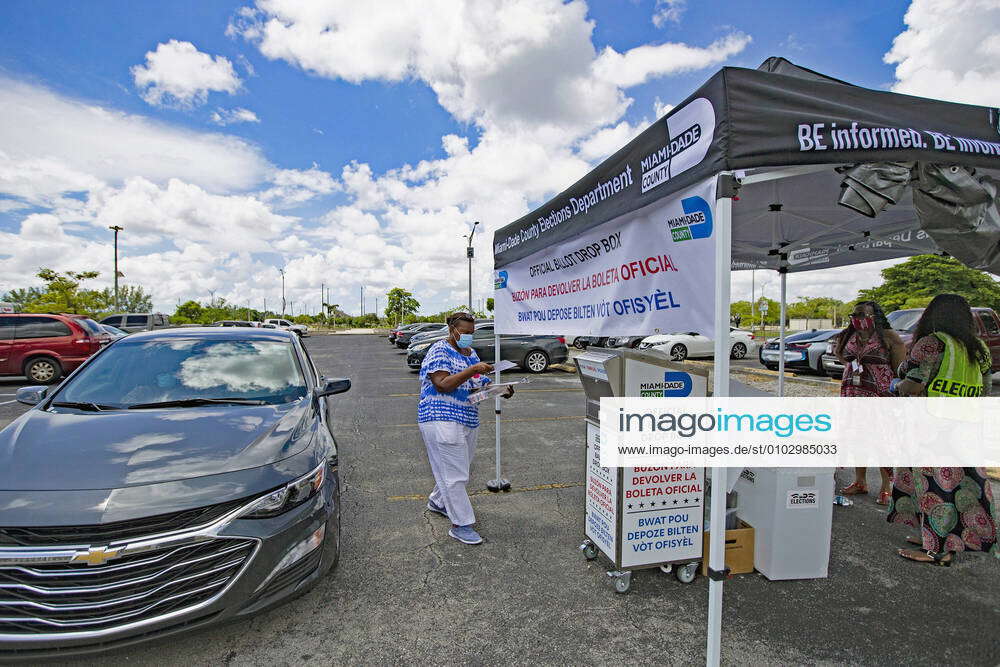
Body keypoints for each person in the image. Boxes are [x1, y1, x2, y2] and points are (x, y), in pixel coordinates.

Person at [887, 294, 998, 565]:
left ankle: (937, 550)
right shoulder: (979, 348)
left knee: (934, 487)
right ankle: (946, 537)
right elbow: (985, 390)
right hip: (967, 427)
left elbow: (913, 385)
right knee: (964, 486)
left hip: (931, 429)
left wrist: (895, 386)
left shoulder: (931, 343)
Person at [418, 312, 513, 545]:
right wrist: (473, 370)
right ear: (452, 329)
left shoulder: (471, 354)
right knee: (454, 473)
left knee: (460, 468)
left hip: (467, 417)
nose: (469, 337)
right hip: (440, 417)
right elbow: (442, 385)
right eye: (465, 333)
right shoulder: (439, 350)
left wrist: (501, 389)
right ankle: (461, 524)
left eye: (472, 333)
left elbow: (479, 387)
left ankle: (438, 502)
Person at [835, 300, 906, 504]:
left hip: (879, 396)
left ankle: (886, 485)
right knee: (856, 435)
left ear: (875, 316)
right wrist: (854, 366)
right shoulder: (849, 335)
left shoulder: (889, 337)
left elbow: (899, 367)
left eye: (862, 314)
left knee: (882, 438)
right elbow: (841, 355)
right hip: (853, 392)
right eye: (855, 315)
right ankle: (860, 481)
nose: (858, 318)